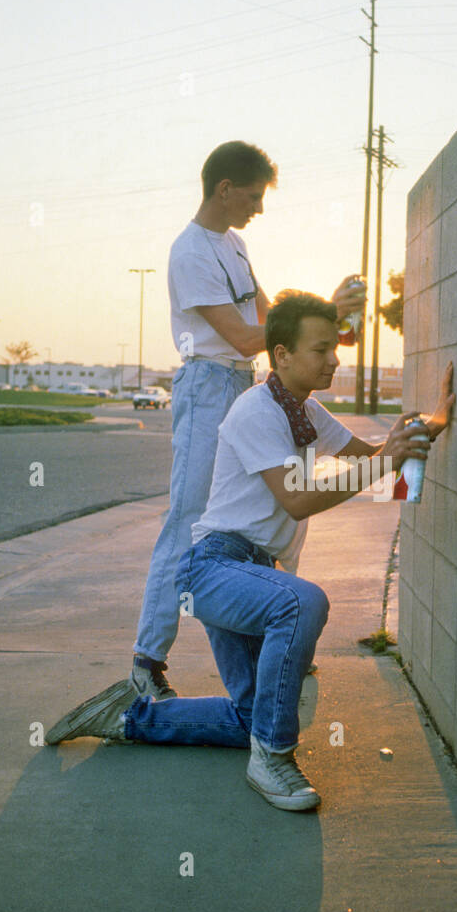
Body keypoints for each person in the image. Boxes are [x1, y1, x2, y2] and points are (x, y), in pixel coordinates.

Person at [46, 291, 455, 813]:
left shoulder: (307, 413)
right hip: (214, 568)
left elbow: (377, 456)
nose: (334, 359)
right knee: (303, 603)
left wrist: (434, 422)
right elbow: (299, 499)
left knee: (247, 717)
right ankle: (272, 758)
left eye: (336, 349)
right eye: (321, 349)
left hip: (252, 573)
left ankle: (127, 717)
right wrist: (383, 463)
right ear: (281, 355)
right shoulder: (256, 411)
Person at [130, 140, 366, 701]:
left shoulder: (234, 245)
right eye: (254, 197)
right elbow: (241, 337)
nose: (258, 209)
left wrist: (335, 326)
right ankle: (147, 660)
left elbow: (270, 321)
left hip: (251, 381)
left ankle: (278, 647)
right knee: (188, 518)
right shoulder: (189, 252)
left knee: (276, 507)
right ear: (224, 188)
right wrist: (323, 314)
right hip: (211, 381)